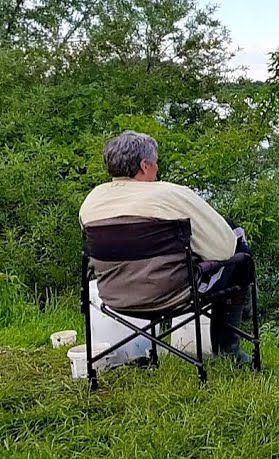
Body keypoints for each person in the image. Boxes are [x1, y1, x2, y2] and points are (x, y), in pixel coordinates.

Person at [79, 131, 255, 365]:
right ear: (144, 165)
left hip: (115, 297)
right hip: (174, 295)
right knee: (238, 244)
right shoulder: (171, 195)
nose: (157, 169)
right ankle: (230, 348)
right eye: (156, 163)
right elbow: (224, 248)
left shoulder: (91, 201)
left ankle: (238, 322)